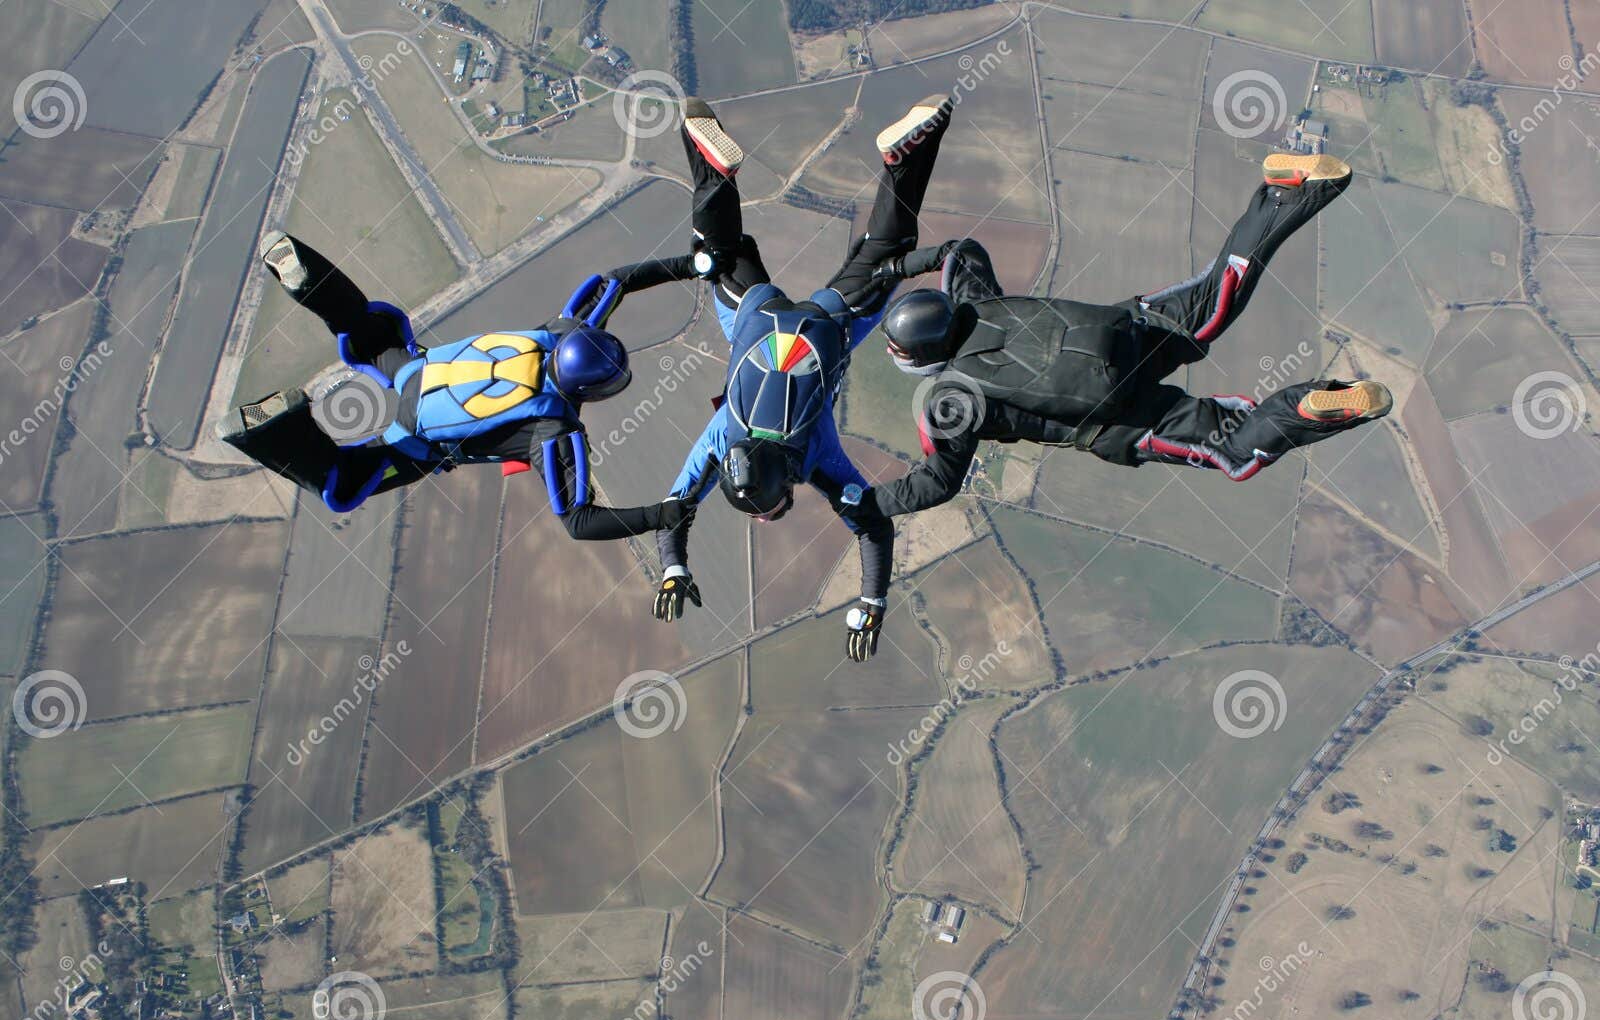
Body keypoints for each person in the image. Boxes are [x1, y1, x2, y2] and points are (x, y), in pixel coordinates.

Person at [605, 95, 954, 661]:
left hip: (829, 322)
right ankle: (712, 168)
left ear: (786, 488)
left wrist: (872, 603)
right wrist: (672, 566)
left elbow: (872, 528)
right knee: (716, 253)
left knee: (889, 249)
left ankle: (904, 160)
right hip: (756, 312)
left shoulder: (814, 456)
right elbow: (674, 511)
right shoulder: (723, 438)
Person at [859, 152, 1393, 519]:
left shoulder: (951, 401)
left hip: (1119, 418)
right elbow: (960, 251)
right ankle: (1286, 193)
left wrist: (865, 504)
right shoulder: (972, 302)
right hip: (1130, 330)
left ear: (921, 357)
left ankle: (1304, 408)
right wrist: (896, 269)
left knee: (1231, 447)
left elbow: (936, 483)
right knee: (1215, 293)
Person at [217, 232, 686, 540]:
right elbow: (578, 522)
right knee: (342, 484)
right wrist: (663, 516)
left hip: (414, 371)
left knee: (366, 329)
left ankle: (311, 282)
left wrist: (691, 265)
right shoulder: (553, 430)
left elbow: (614, 282)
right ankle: (266, 431)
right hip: (413, 441)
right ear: (595, 392)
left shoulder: (561, 332)